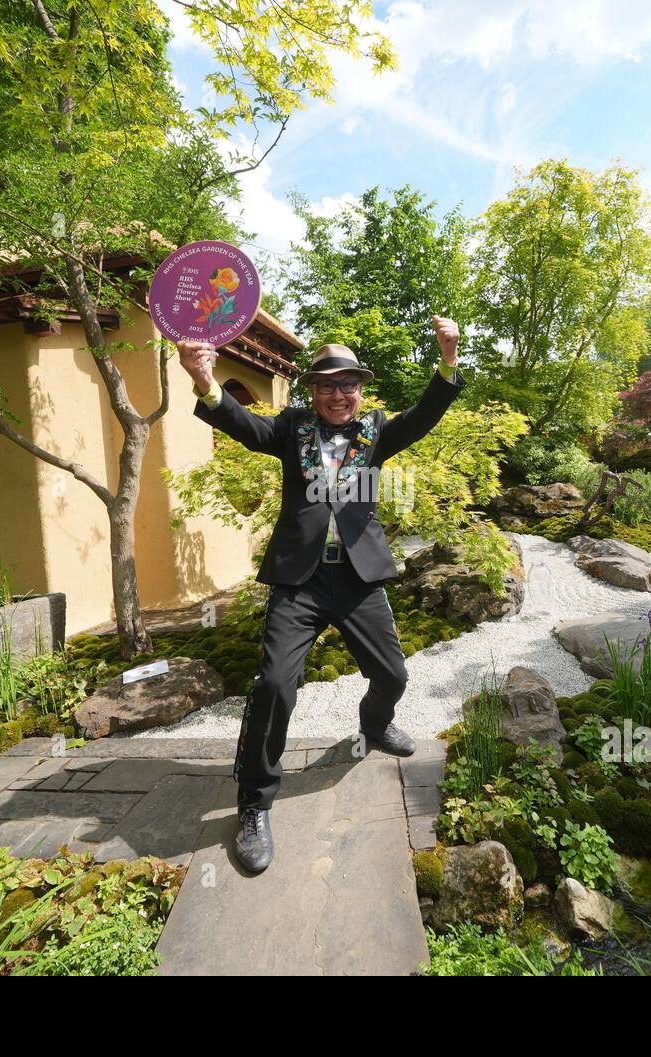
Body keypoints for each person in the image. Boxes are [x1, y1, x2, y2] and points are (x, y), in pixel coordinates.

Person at [177, 318, 465, 874]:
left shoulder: (376, 430)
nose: (339, 394)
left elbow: (424, 415)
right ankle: (254, 804)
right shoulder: (292, 428)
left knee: (394, 677)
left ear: (360, 389)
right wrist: (204, 380)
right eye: (328, 385)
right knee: (276, 686)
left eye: (348, 384)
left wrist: (447, 360)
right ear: (314, 391)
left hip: (358, 579)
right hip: (300, 581)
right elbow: (245, 426)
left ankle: (375, 725)